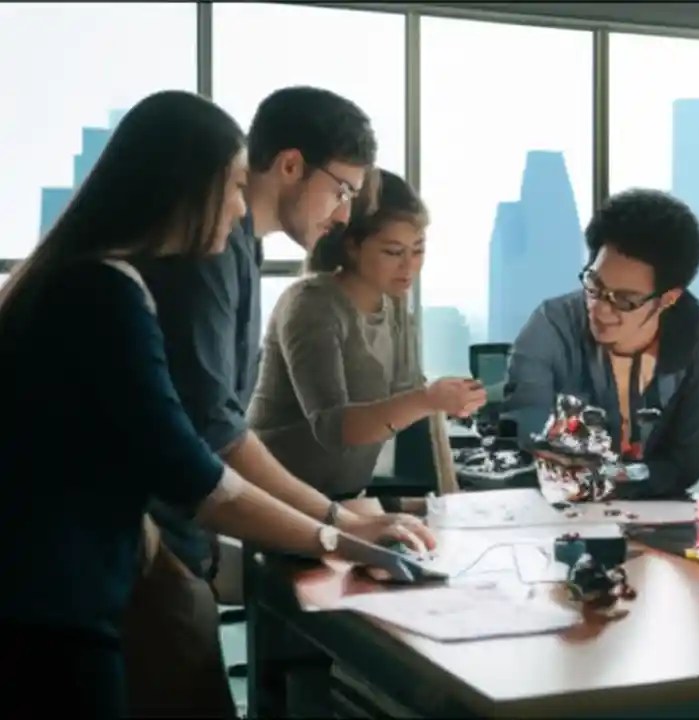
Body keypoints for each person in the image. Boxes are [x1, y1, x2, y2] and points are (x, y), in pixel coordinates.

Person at [0, 90, 430, 718]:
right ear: (180, 187)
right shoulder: (107, 293)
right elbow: (197, 459)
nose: (238, 204)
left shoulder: (79, 279)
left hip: (63, 588)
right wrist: (340, 536)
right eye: (230, 184)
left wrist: (339, 530)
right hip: (63, 599)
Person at [129, 86, 429, 716]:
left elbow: (225, 424)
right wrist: (340, 530)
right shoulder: (214, 246)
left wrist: (342, 525)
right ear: (290, 165)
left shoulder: (242, 246)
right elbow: (216, 433)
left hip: (182, 532)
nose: (346, 215)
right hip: (146, 538)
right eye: (343, 190)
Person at [248, 168, 486, 509]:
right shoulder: (311, 305)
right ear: (352, 246)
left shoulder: (396, 306)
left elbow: (408, 398)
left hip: (345, 502)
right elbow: (334, 428)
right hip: (278, 505)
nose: (409, 266)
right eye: (393, 252)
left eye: (417, 250)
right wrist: (429, 399)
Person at [503, 188, 699, 499]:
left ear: (669, 298)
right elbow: (527, 434)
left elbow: (684, 466)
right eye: (594, 285)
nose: (600, 309)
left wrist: (603, 473)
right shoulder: (551, 326)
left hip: (656, 513)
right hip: (553, 508)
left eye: (624, 300)